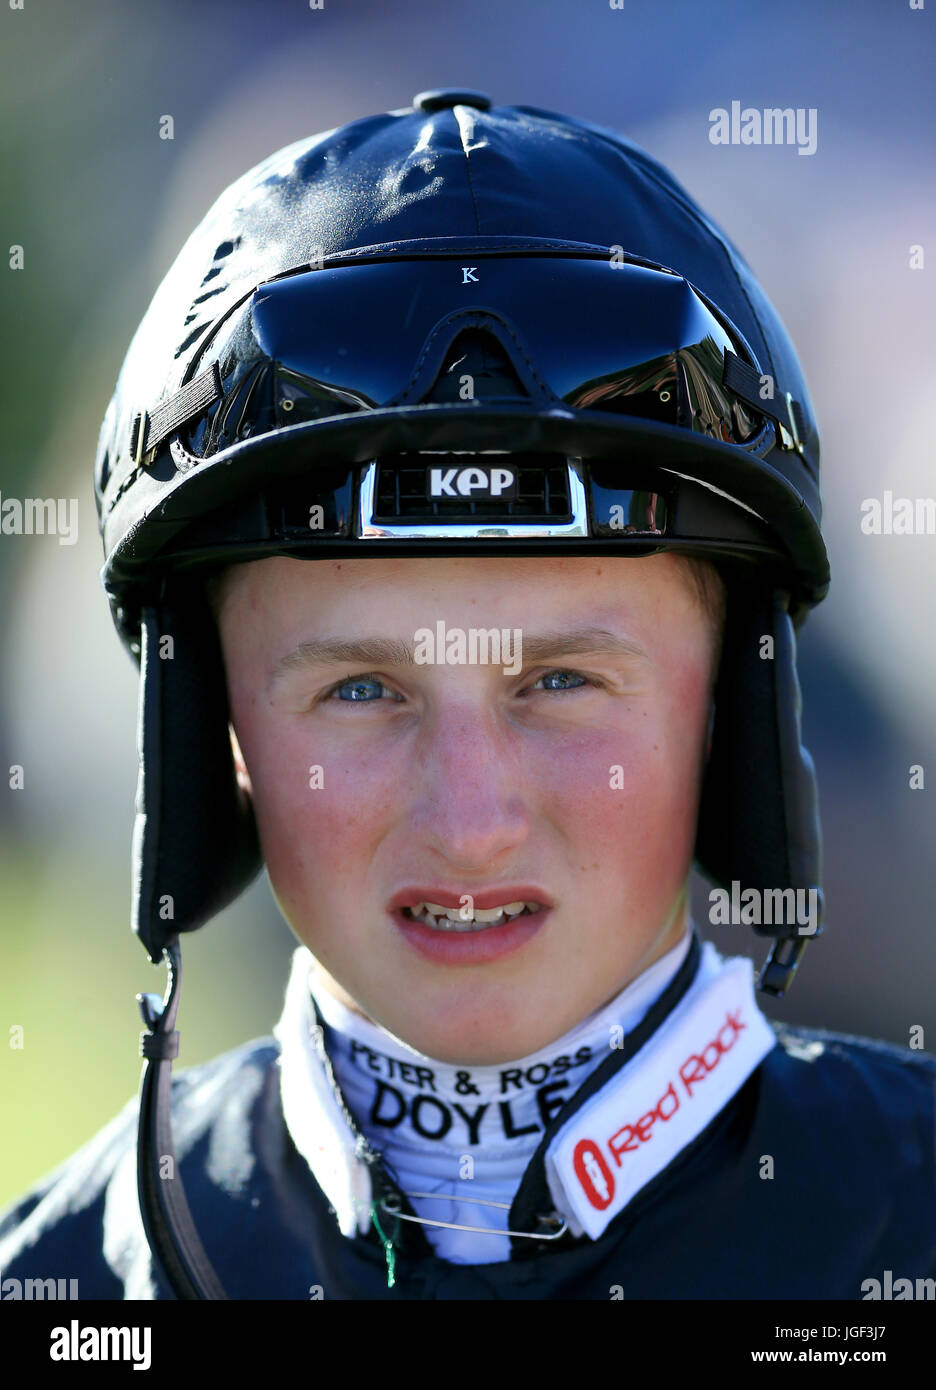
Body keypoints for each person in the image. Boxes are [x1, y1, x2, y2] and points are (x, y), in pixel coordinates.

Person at [1, 89, 933, 1302]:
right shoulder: (63, 1289)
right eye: (361, 688)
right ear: (209, 728)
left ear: (729, 714)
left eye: (560, 679)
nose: (471, 821)